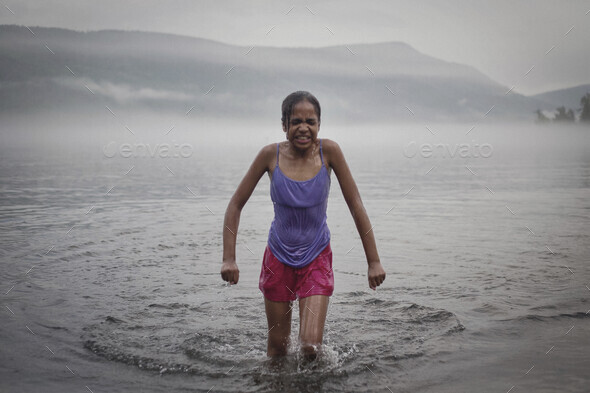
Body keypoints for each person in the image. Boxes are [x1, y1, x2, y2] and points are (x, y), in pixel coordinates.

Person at [221, 91, 386, 359]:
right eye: (296, 121)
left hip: (316, 257)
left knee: (310, 347)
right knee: (277, 350)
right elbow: (235, 205)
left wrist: (373, 261)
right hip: (278, 257)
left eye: (310, 121)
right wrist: (229, 258)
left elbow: (356, 206)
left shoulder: (329, 152)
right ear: (284, 125)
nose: (303, 128)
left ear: (319, 125)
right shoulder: (269, 155)